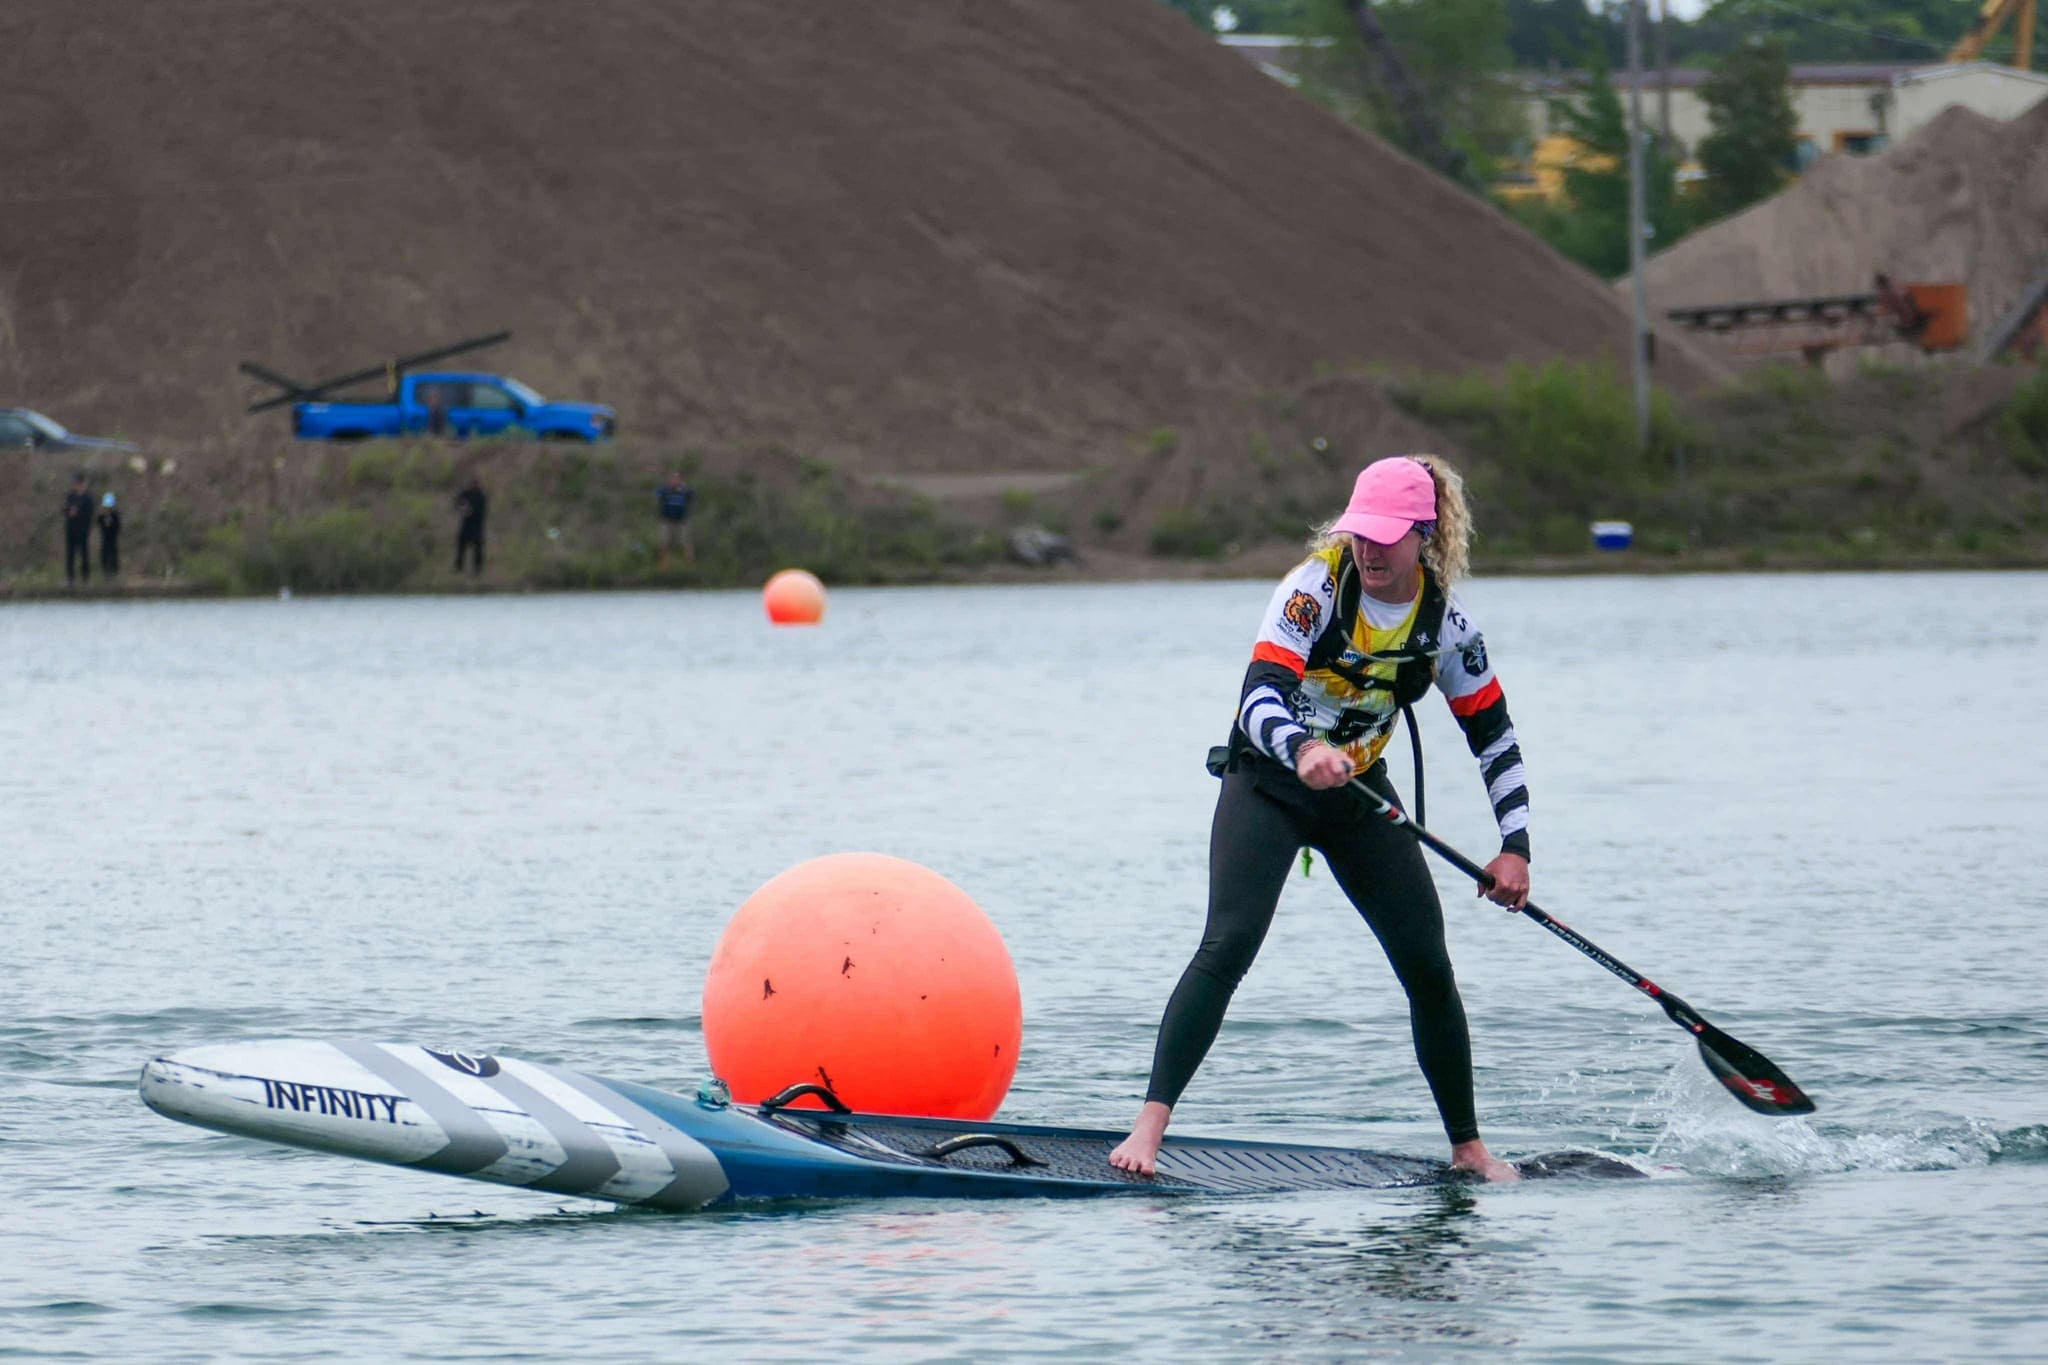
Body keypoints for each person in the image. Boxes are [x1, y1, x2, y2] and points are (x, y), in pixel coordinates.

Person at [1109, 455, 1532, 1184]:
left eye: (1386, 536)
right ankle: (1147, 1128)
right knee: (1228, 943)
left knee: (1428, 965)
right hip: (1268, 784)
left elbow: (1493, 734)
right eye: (1359, 532)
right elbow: (1258, 694)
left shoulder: (1449, 625)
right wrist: (1303, 747)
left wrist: (1515, 846)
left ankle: (1469, 1148)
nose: (1368, 549)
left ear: (1422, 535)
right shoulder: (1312, 591)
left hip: (1360, 795)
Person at [657, 470, 695, 569]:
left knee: (686, 542)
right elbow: (658, 494)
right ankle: (664, 567)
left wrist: (684, 488)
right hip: (667, 520)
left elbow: (692, 495)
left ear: (681, 480)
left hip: (682, 521)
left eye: (677, 479)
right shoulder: (666, 490)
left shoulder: (685, 490)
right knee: (664, 542)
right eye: (673, 479)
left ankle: (689, 566)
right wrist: (668, 488)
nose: (675, 481)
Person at [62, 474, 93, 585]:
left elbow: (89, 514)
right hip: (71, 529)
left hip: (82, 530)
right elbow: (64, 509)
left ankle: (86, 578)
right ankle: (70, 578)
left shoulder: (88, 498)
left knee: (84, 554)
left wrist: (78, 514)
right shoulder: (71, 496)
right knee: (70, 555)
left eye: (78, 484)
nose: (76, 486)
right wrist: (69, 511)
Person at [453, 474, 486, 574]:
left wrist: (470, 511)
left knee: (478, 549)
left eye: (475, 483)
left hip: (476, 525)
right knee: (461, 546)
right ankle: (459, 567)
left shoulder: (481, 496)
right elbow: (457, 501)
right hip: (466, 525)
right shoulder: (466, 493)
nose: (473, 485)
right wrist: (462, 507)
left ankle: (477, 569)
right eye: (472, 483)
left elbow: (482, 511)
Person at [96, 492, 122, 577]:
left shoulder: (115, 515)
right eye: (106, 506)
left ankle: (114, 571)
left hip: (113, 538)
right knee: (104, 555)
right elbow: (98, 523)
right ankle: (105, 572)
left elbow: (118, 527)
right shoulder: (102, 516)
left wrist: (111, 523)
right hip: (105, 538)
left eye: (109, 507)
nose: (108, 508)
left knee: (113, 554)